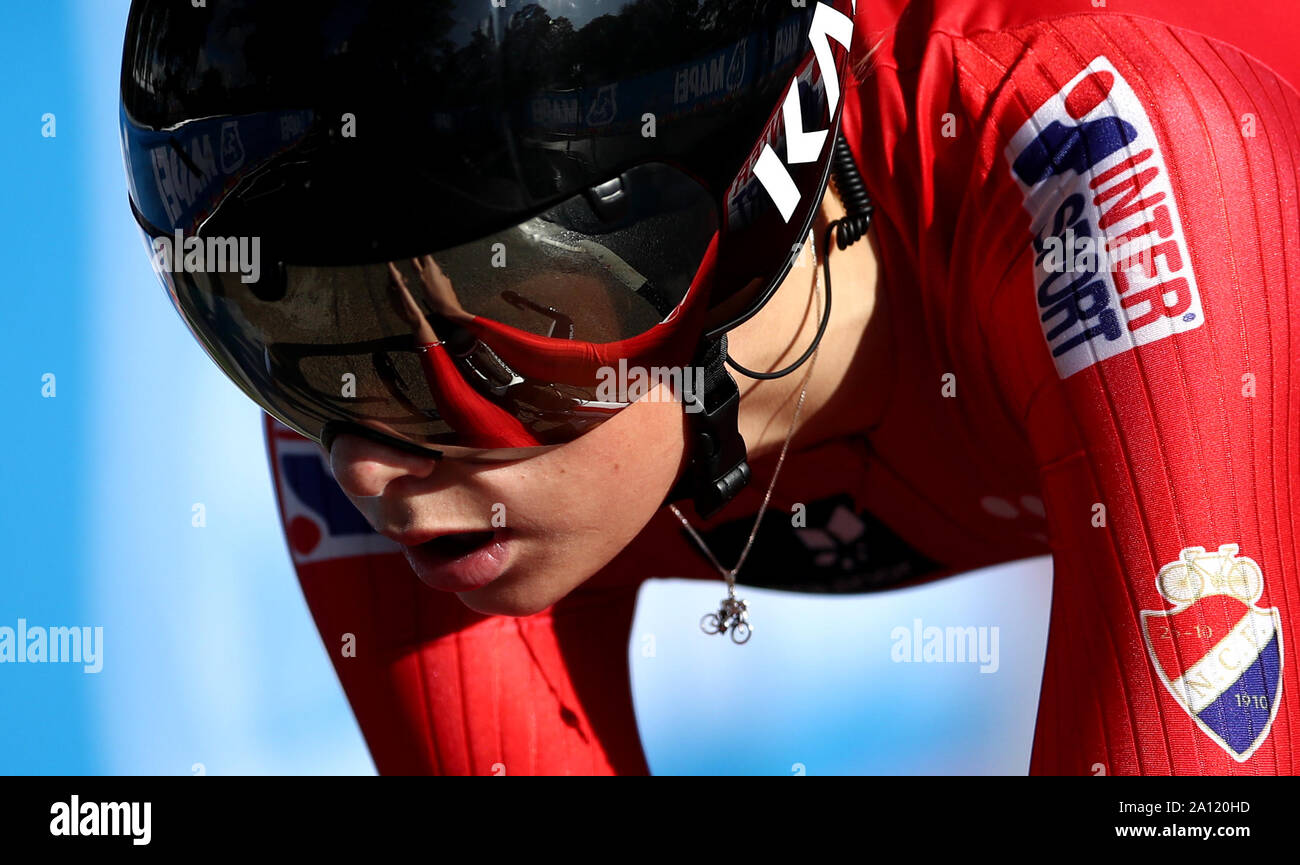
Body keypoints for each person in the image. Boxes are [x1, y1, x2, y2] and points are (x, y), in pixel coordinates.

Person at [121, 0, 1300, 775]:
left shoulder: (1094, 157)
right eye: (279, 329)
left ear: (737, 212)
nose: (367, 467)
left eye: (498, 312)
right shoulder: (370, 417)